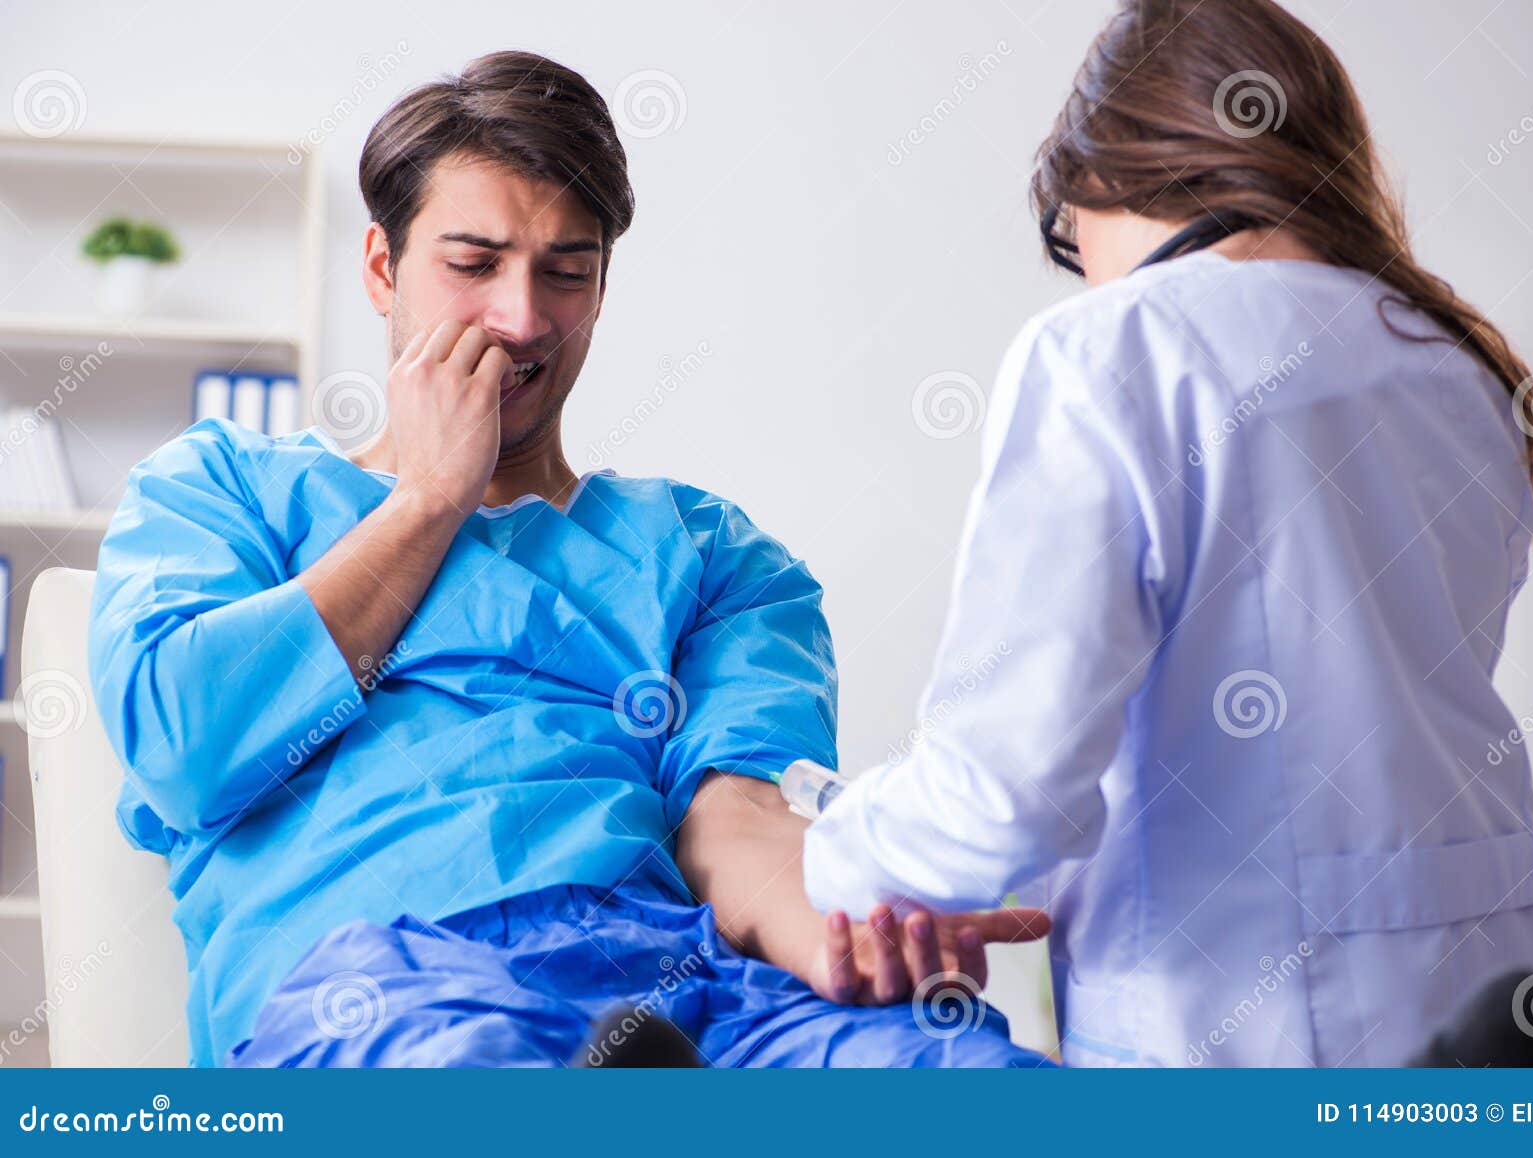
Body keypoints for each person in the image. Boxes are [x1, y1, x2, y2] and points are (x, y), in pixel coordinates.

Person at [89, 50, 1050, 1069]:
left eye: (567, 270)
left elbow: (739, 815)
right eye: (474, 264)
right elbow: (186, 749)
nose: (523, 318)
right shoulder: (222, 488)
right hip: (381, 987)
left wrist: (839, 939)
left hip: (681, 980)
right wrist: (427, 500)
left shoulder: (710, 552)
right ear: (382, 268)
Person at [802, 0, 1533, 1067]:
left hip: (1245, 1032)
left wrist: (822, 849)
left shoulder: (1112, 349)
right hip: (1511, 1009)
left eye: (1067, 240)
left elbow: (1001, 793)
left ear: (1103, 182)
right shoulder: (1455, 364)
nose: (1084, 275)